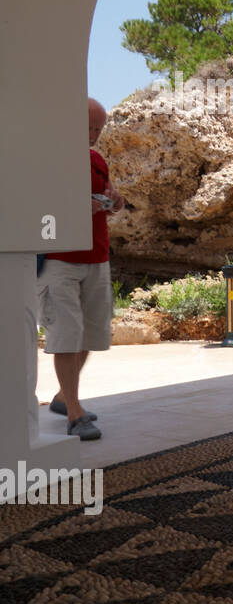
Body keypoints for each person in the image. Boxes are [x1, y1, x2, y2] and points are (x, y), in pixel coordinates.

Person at [37, 99, 124, 441]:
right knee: (66, 335)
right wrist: (74, 208)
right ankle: (75, 412)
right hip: (58, 259)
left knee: (90, 333)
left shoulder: (96, 159)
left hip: (96, 257)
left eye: (98, 128)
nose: (93, 134)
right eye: (88, 127)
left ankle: (63, 397)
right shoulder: (48, 160)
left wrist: (114, 201)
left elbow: (108, 198)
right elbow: (38, 208)